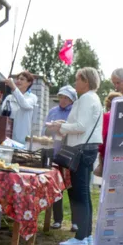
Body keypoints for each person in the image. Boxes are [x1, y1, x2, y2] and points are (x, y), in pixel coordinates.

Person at [46, 68, 103, 245]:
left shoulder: (86, 98)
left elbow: (80, 126)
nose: (75, 82)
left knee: (80, 194)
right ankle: (86, 236)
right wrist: (63, 124)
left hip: (82, 149)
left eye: (78, 79)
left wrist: (60, 128)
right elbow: (81, 124)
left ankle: (80, 238)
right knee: (83, 193)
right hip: (87, 148)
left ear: (86, 81)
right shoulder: (92, 98)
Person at [46, 85, 76, 230]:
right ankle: (57, 219)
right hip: (55, 152)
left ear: (72, 100)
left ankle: (75, 222)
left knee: (73, 187)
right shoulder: (53, 111)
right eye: (61, 97)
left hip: (70, 152)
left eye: (67, 98)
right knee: (57, 186)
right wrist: (50, 128)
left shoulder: (75, 113)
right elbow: (44, 131)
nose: (63, 100)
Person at [0, 70, 38, 145]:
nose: (18, 81)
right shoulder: (9, 97)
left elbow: (24, 105)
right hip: (6, 139)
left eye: (22, 79)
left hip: (22, 140)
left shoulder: (32, 97)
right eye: (17, 79)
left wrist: (14, 88)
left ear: (29, 83)